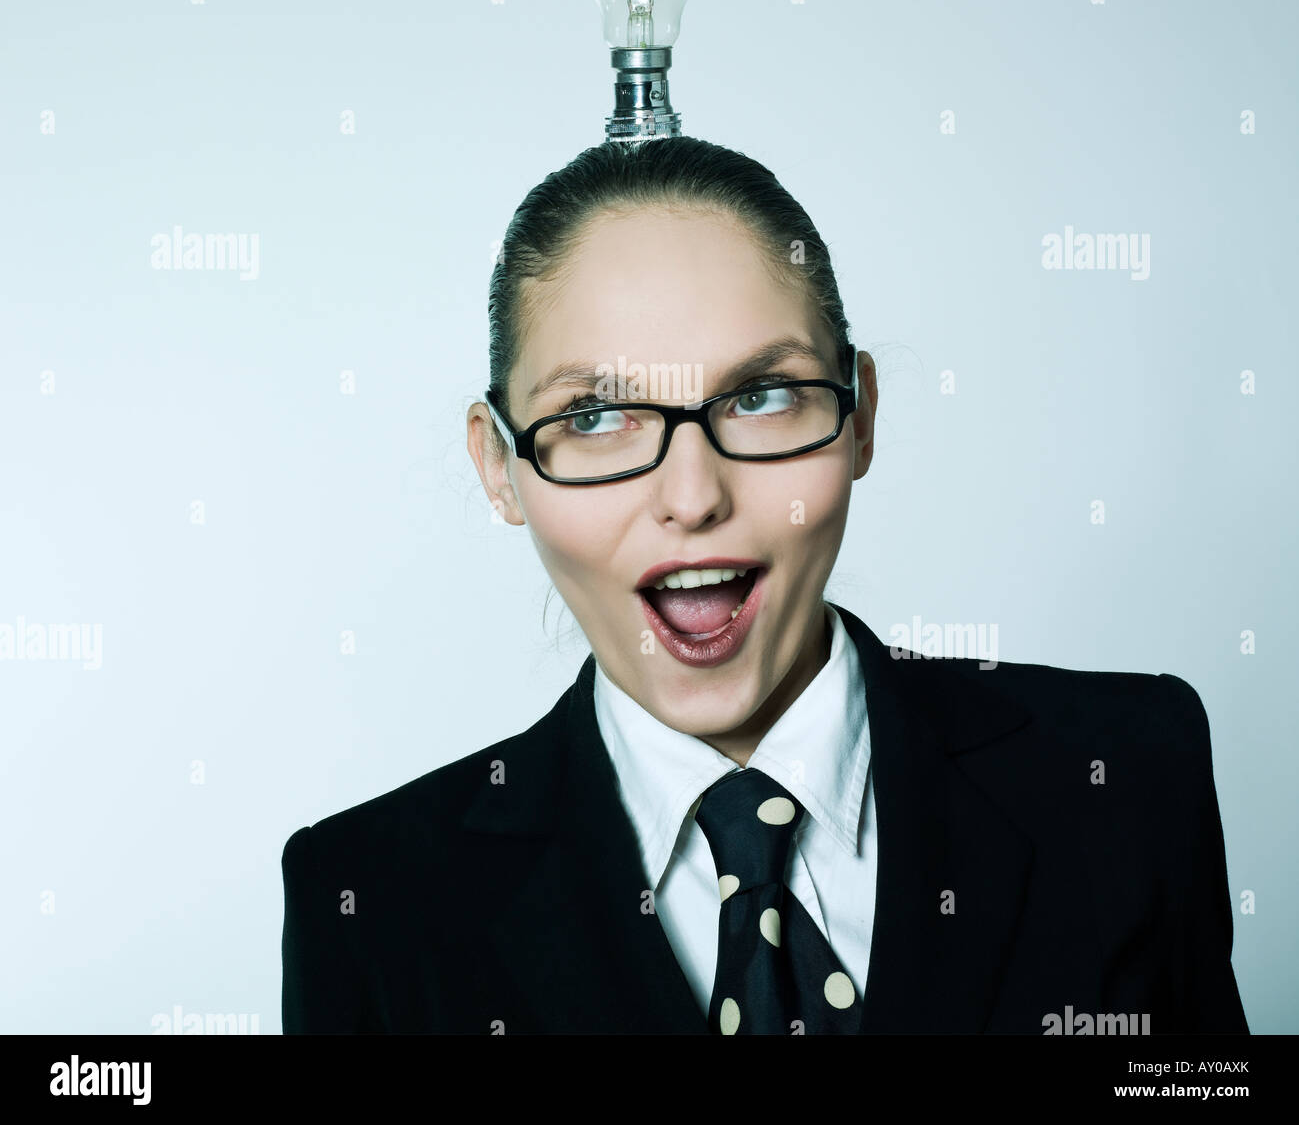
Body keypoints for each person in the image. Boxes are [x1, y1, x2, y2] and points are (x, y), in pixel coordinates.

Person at [281, 137, 1248, 1035]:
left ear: (861, 416)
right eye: (597, 415)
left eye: (763, 397)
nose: (693, 497)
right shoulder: (371, 902)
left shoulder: (1124, 774)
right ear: (498, 466)